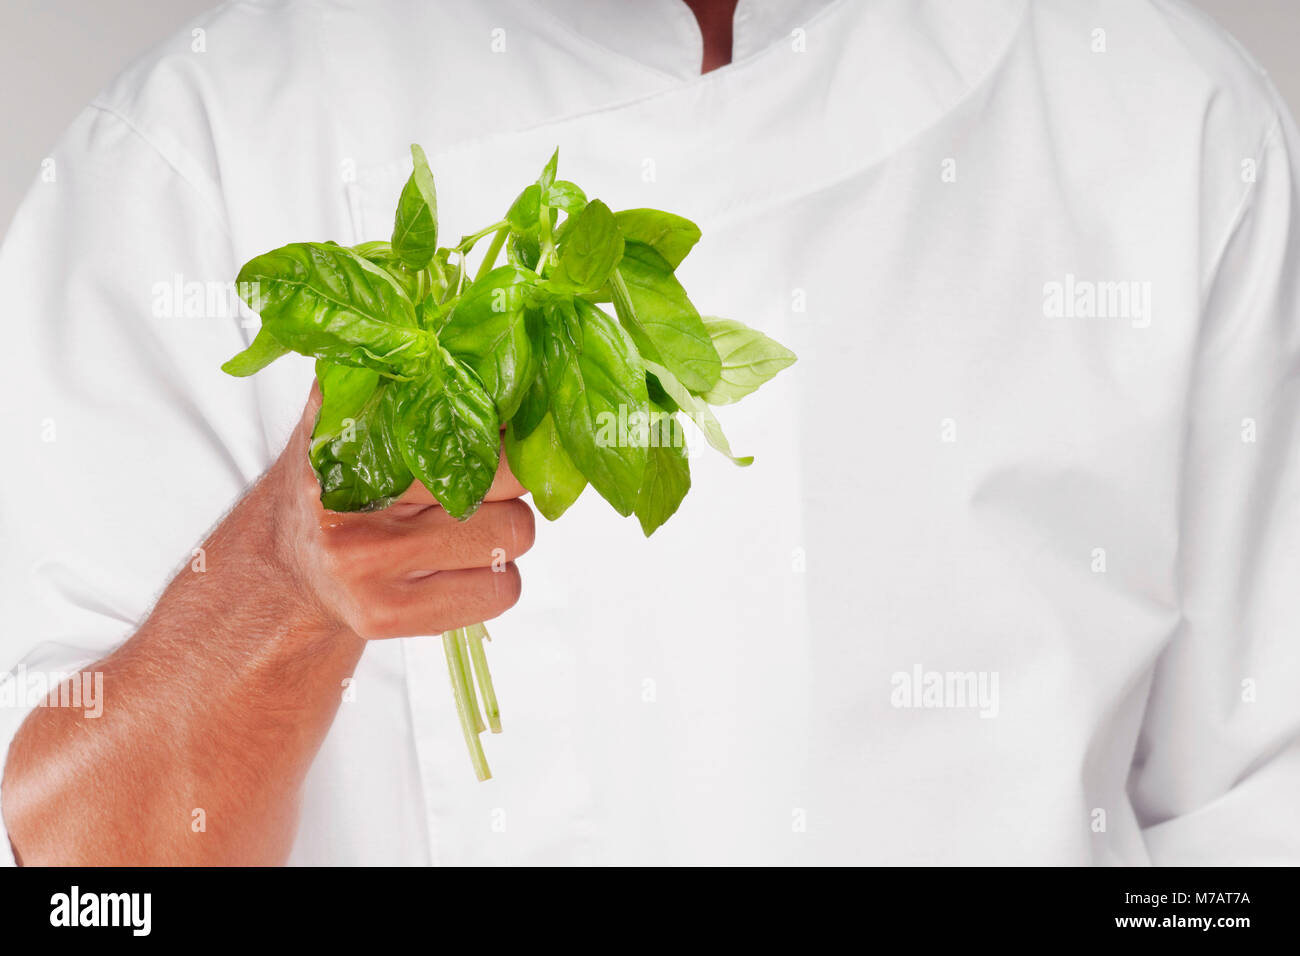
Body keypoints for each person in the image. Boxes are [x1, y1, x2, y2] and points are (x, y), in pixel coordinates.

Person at [2, 0, 1298, 866]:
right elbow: (71, 871)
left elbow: (1254, 818)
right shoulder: (208, 154)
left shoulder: (1160, 121)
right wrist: (284, 586)